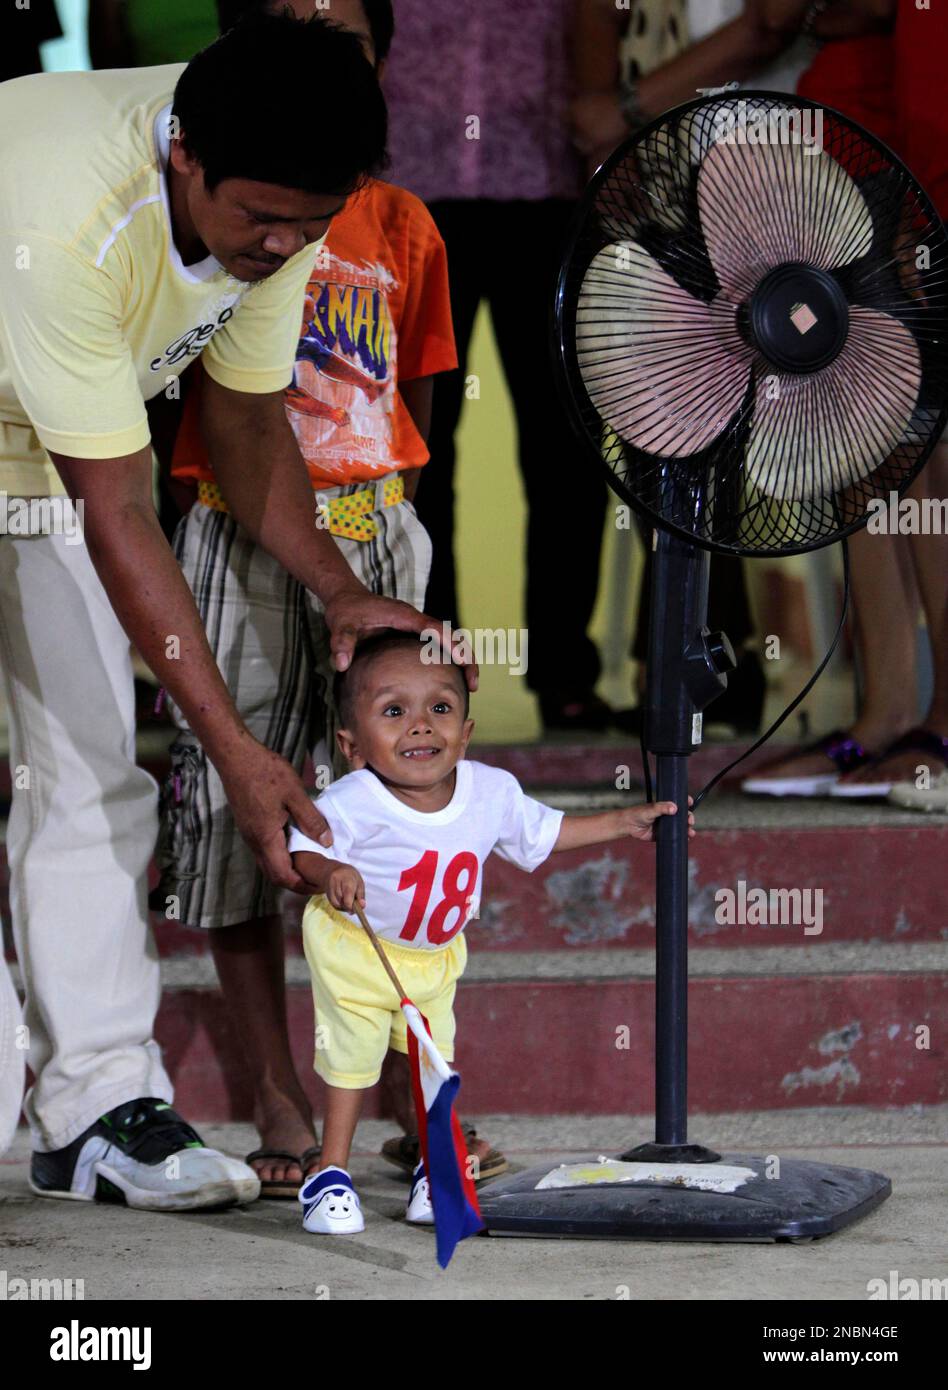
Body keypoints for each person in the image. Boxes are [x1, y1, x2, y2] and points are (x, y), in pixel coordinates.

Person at [0, 12, 449, 1208]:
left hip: (42, 446)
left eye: (309, 224)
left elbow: (248, 423)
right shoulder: (67, 212)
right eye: (261, 219)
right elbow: (119, 506)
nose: (284, 244)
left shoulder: (278, 191)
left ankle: (98, 1106)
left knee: (93, 771)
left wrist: (342, 588)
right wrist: (238, 751)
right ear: (183, 155)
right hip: (64, 441)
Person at [156, 0, 501, 1199]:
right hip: (233, 533)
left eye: (343, 30)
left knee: (400, 826)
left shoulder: (403, 224)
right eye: (289, 21)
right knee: (241, 818)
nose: (320, 45)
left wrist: (400, 562)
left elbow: (426, 406)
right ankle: (276, 1095)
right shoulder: (213, 216)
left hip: (376, 539)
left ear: (384, 59)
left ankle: (421, 1103)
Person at [287, 631, 695, 1234]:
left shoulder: (490, 792)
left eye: (441, 709)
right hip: (356, 947)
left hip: (434, 959)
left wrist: (623, 821)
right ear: (352, 746)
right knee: (352, 1062)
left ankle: (437, 1169)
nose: (421, 726)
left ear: (468, 732)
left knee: (434, 1066)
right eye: (394, 712)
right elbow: (302, 847)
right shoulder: (356, 798)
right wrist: (330, 871)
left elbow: (545, 834)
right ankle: (330, 1174)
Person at [379, 0, 612, 733]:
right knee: (416, 447)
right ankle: (423, 668)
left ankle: (567, 673)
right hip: (410, 184)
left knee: (565, 442)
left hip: (545, 186)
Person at [741, 0, 948, 800]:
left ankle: (941, 718)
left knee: (930, 461)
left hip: (918, 155)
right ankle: (888, 712)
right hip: (854, 147)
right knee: (868, 453)